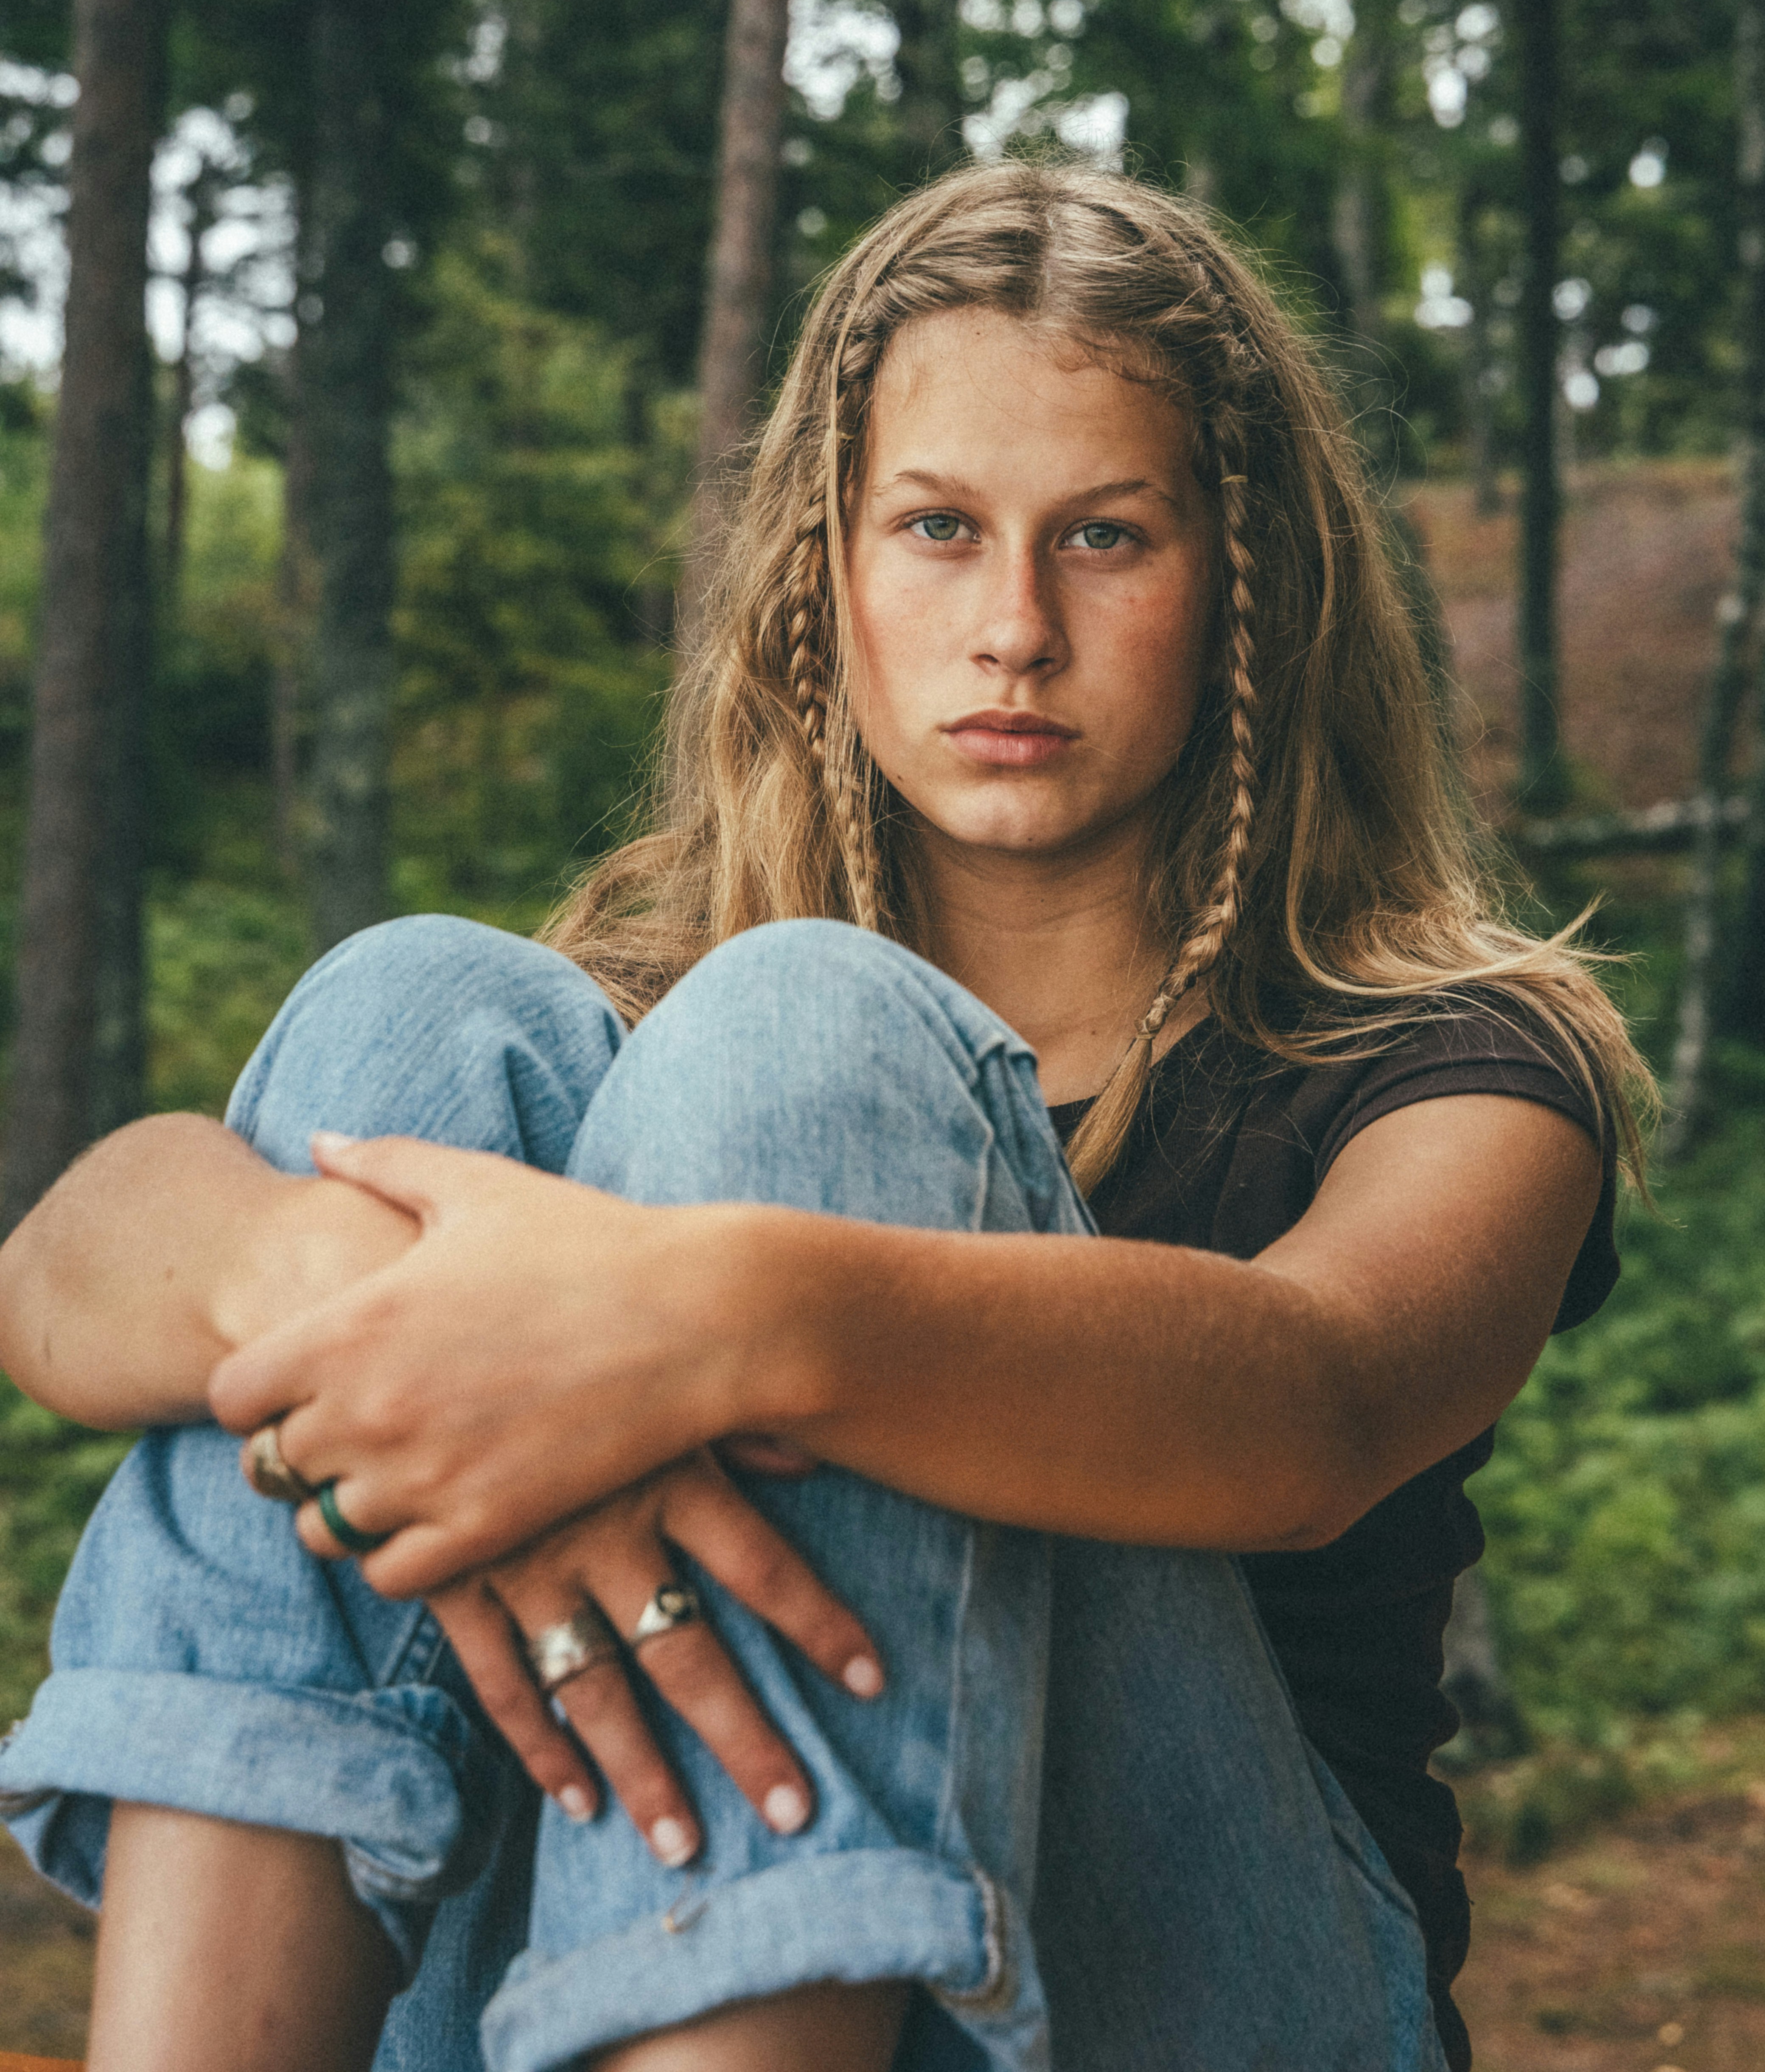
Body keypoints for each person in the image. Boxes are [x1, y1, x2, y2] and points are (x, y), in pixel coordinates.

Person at [0, 162, 1647, 2072]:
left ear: (1244, 588)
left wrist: (711, 1323)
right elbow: (56, 1273)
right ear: (828, 571)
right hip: (540, 1981)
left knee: (811, 1032)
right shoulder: (609, 1031)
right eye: (936, 527)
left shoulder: (1445, 1051)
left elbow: (1318, 1403)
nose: (1010, 627)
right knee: (417, 999)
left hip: (1206, 1999)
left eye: (1104, 538)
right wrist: (324, 1299)